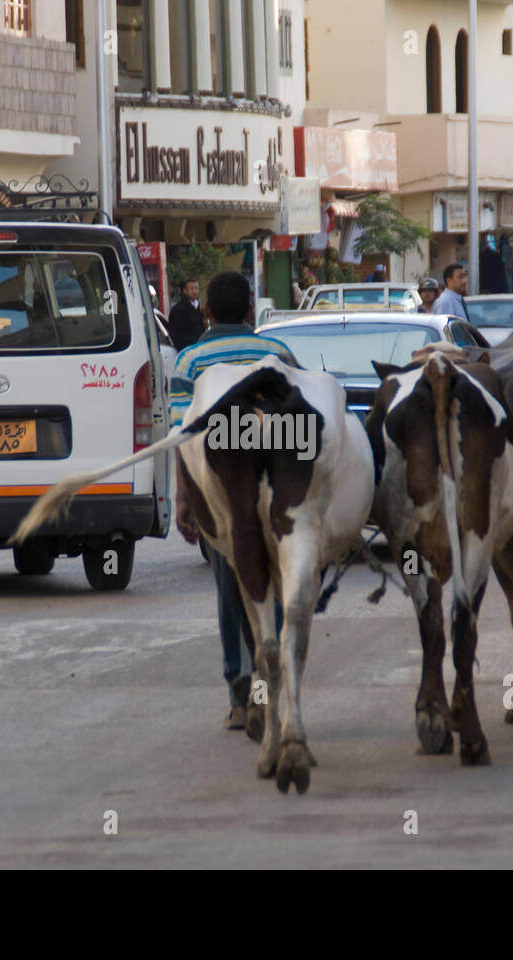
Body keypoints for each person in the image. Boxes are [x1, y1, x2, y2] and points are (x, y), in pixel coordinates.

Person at [169, 272, 297, 731]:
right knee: (279, 586)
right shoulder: (277, 354)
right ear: (249, 311)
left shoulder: (189, 360)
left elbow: (182, 438)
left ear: (206, 311)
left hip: (220, 495)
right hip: (279, 494)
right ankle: (273, 688)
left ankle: (242, 695)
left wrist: (184, 497)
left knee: (232, 585)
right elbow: (299, 428)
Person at [166, 277, 205, 351]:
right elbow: (177, 336)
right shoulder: (178, 310)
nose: (194, 291)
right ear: (184, 291)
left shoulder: (197, 307)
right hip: (188, 350)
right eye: (191, 289)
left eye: (196, 288)